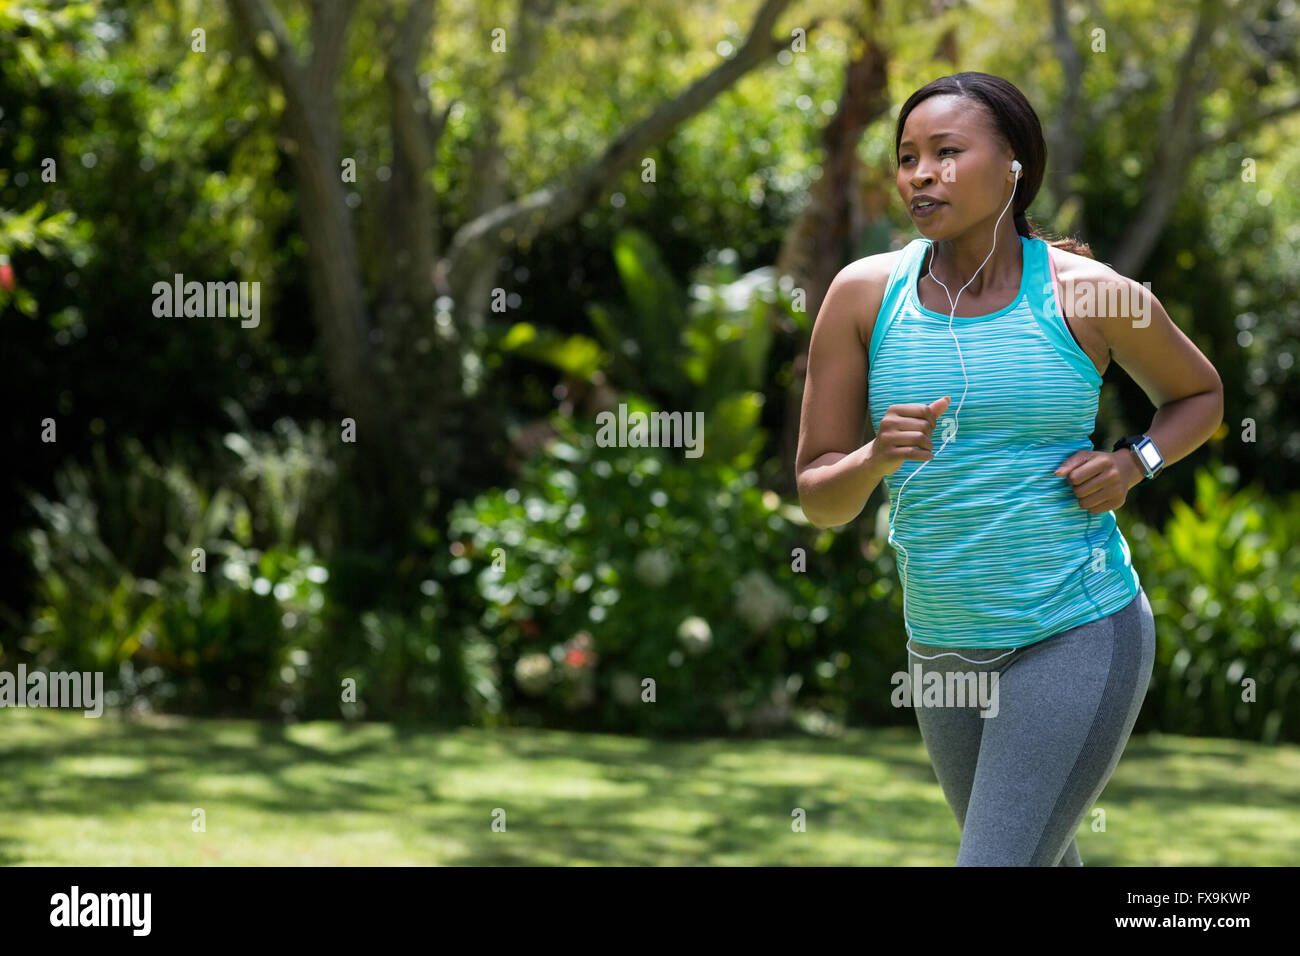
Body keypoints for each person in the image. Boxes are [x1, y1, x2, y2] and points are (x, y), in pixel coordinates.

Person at [794, 72, 1224, 865]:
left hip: (1076, 627)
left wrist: (1137, 463)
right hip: (943, 650)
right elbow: (820, 497)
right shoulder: (862, 296)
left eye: (947, 153)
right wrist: (874, 455)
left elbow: (1200, 394)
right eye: (908, 157)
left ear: (1014, 165)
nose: (921, 174)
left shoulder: (1091, 295)